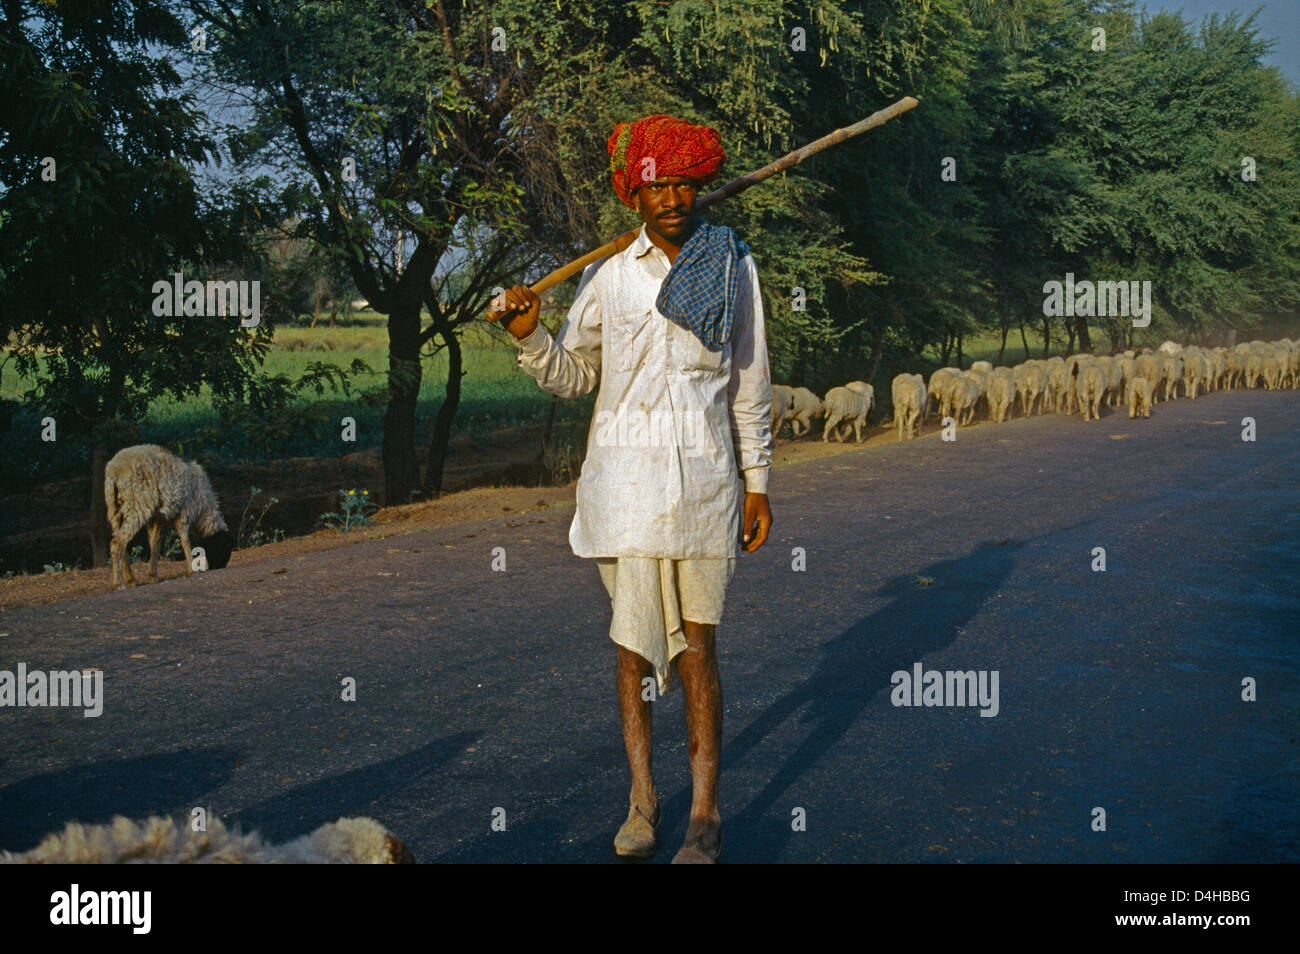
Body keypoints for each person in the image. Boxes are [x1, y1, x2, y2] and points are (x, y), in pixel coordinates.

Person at [492, 113, 773, 863]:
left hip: (707, 489)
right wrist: (528, 336)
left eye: (685, 182)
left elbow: (748, 384)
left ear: (699, 187)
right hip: (624, 491)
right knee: (630, 651)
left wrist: (758, 482)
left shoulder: (732, 267)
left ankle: (705, 815)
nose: (673, 196)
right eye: (659, 185)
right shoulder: (610, 277)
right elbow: (574, 375)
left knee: (699, 654)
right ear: (636, 196)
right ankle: (642, 802)